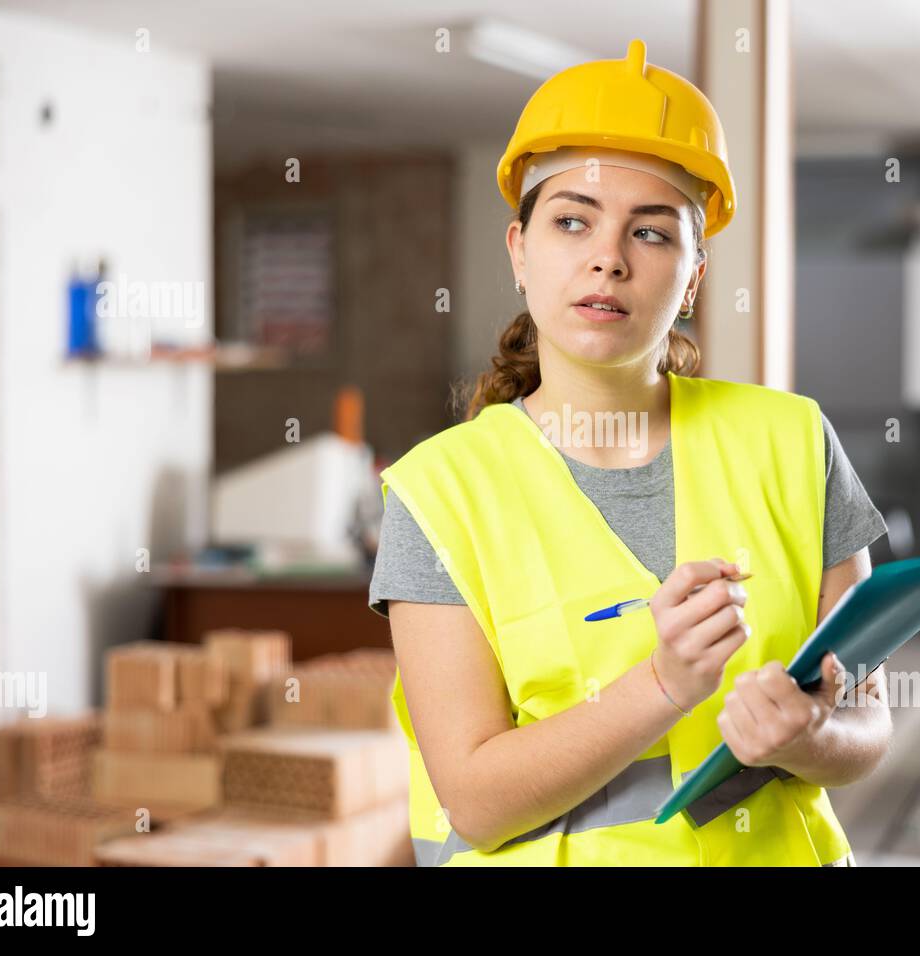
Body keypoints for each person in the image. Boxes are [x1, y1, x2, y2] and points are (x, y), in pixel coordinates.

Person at [369, 39, 891, 866]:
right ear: (519, 251)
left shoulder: (793, 442)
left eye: (651, 233)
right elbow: (473, 799)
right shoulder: (440, 495)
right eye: (572, 220)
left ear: (691, 280)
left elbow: (868, 725)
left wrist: (810, 731)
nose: (607, 257)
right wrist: (663, 687)